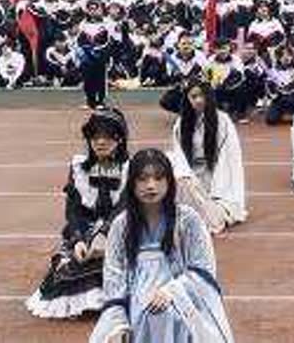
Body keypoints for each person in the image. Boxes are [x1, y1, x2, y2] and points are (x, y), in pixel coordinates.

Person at [89, 149, 234, 343]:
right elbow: (114, 279)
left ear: (169, 182)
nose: (151, 186)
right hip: (134, 304)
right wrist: (117, 323)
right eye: (142, 179)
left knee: (163, 316)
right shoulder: (121, 225)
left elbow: (203, 269)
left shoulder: (188, 219)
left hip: (183, 300)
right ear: (131, 183)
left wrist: (171, 292)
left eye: (159, 178)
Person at [27, 109, 131, 318]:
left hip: (122, 229)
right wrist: (78, 240)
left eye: (108, 136)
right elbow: (73, 209)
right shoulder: (79, 167)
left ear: (119, 139)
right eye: (95, 136)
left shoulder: (130, 168)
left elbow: (125, 207)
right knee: (71, 265)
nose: (100, 142)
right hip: (87, 231)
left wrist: (104, 234)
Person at [168, 80, 247, 235]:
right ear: (187, 99)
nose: (198, 100)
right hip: (192, 176)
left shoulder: (222, 120)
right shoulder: (180, 123)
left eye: (202, 96)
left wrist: (217, 189)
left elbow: (228, 157)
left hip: (215, 175)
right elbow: (180, 155)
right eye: (193, 96)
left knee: (213, 212)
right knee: (170, 161)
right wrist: (186, 176)